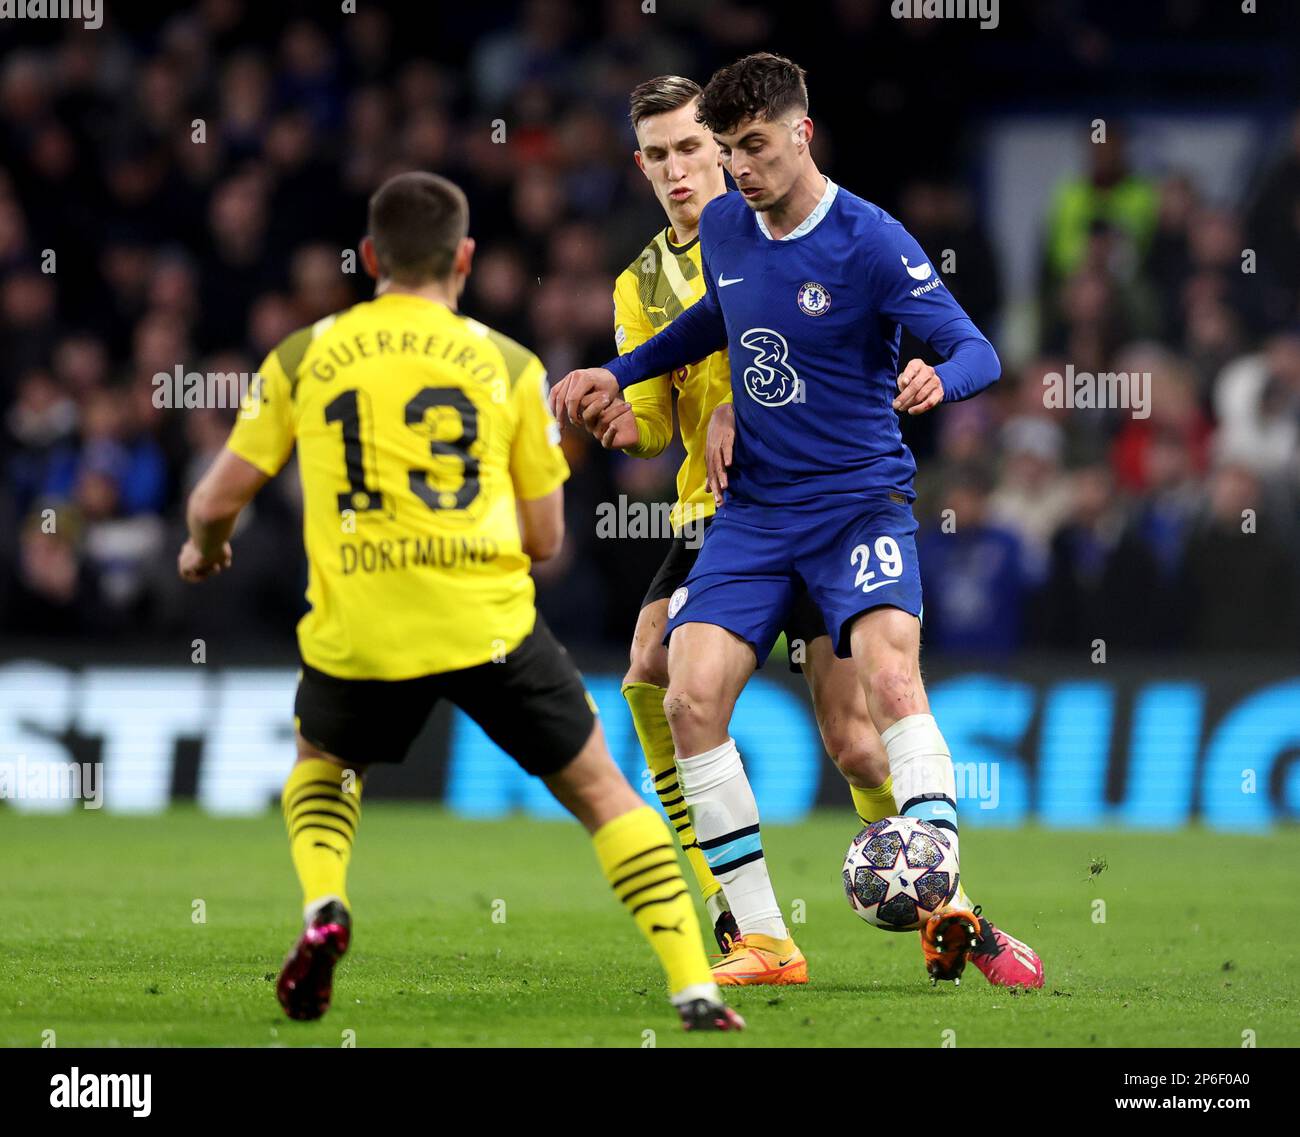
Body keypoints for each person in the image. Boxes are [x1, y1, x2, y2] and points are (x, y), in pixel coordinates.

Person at [178, 170, 743, 1030]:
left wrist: (204, 549)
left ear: (368, 257)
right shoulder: (509, 364)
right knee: (602, 793)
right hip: (488, 624)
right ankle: (693, 982)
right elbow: (548, 541)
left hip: (360, 626)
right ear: (466, 259)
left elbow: (215, 502)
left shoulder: (301, 355)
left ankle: (325, 906)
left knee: (323, 764)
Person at [552, 54, 1043, 989]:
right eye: (724, 149)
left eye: (750, 146)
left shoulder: (870, 239)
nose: (737, 169)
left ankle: (943, 882)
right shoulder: (728, 228)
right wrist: (621, 374)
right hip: (753, 510)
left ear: (800, 133)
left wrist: (942, 378)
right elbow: (712, 324)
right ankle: (767, 940)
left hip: (858, 504)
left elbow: (976, 346)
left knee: (884, 695)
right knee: (684, 693)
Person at [585, 74, 905, 986]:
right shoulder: (640, 280)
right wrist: (616, 416)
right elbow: (650, 423)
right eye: (658, 156)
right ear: (639, 166)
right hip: (716, 514)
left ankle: (936, 892)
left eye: (692, 147)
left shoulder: (781, 224)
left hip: (820, 498)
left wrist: (743, 413)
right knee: (652, 665)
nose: (679, 170)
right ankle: (732, 905)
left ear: (723, 146)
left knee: (851, 739)